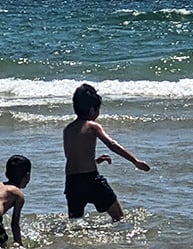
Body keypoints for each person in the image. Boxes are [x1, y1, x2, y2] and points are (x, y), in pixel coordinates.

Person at [63, 83, 150, 222]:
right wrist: (135, 161)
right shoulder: (93, 126)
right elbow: (112, 144)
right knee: (119, 217)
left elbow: (73, 157)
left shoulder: (67, 129)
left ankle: (74, 244)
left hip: (72, 183)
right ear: (93, 110)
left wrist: (96, 161)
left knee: (75, 222)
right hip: (91, 180)